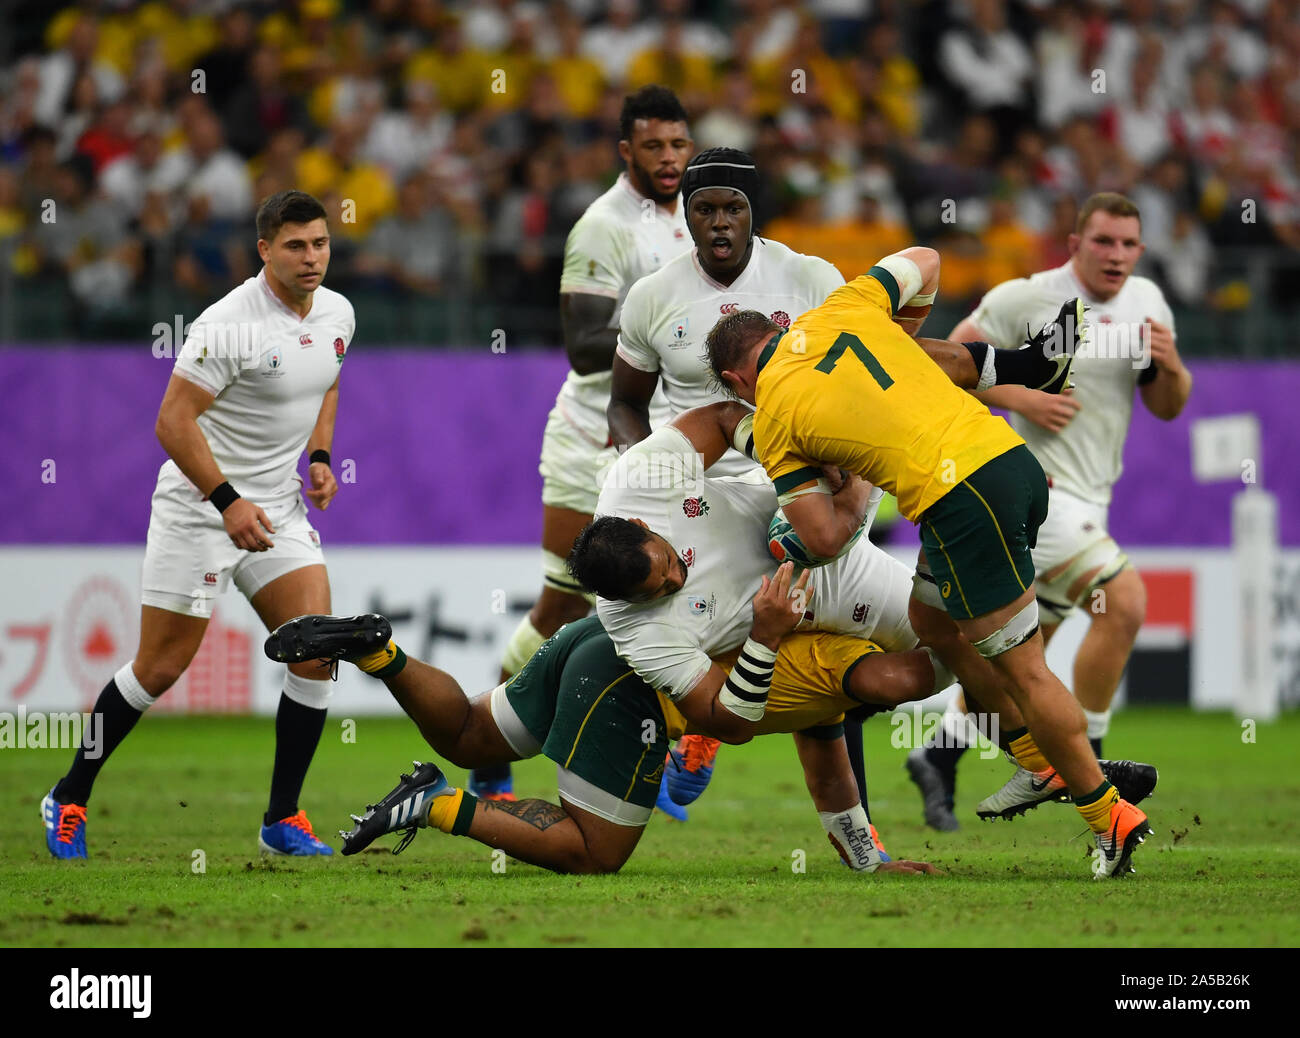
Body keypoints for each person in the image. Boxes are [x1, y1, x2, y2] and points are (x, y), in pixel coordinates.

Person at [707, 246, 1156, 879]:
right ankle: (1035, 758)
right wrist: (893, 348)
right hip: (1014, 461)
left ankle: (1105, 813)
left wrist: (855, 477)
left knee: (1027, 672)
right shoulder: (844, 308)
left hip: (963, 498)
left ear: (735, 382)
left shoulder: (774, 417)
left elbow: (823, 538)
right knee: (934, 621)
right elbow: (925, 258)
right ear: (779, 330)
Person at [42, 190, 353, 859]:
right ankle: (67, 796)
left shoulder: (337, 313)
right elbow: (171, 420)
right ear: (264, 249)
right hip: (200, 509)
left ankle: (282, 818)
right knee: (158, 668)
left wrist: (320, 456)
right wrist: (227, 501)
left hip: (278, 512)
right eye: (295, 245)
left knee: (317, 652)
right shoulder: (229, 323)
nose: (311, 257)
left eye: (320, 243)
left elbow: (327, 378)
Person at [905, 193, 1186, 830]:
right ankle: (1095, 762)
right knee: (1127, 602)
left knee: (1016, 658)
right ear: (1075, 243)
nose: (1116, 255)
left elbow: (1169, 405)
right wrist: (1021, 397)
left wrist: (1170, 366)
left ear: (1140, 250)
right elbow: (948, 360)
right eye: (1104, 242)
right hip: (1042, 493)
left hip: (1094, 497)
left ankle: (939, 755)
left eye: (1128, 244)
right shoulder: (1028, 297)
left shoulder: (1147, 303)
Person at [572, 402, 960, 860]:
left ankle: (871, 852)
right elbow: (728, 719)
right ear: (620, 602)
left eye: (670, 565)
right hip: (766, 643)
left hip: (819, 536)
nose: (676, 581)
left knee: (956, 653)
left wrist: (793, 471)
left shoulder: (635, 481)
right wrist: (765, 636)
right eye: (656, 593)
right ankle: (866, 854)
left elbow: (721, 417)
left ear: (641, 525)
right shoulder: (631, 626)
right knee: (895, 683)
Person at [607, 145, 856, 812]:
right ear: (684, 215)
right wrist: (644, 478)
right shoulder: (653, 296)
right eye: (704, 208)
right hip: (700, 498)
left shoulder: (810, 279)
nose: (719, 222)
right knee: (661, 625)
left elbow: (856, 377)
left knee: (834, 641)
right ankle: (682, 735)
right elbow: (625, 401)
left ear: (754, 213)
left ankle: (855, 831)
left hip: (796, 485)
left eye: (733, 208)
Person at [472, 85, 695, 803]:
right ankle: (486, 742)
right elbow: (581, 344)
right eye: (653, 146)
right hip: (588, 438)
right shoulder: (604, 226)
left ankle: (669, 752)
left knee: (671, 590)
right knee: (562, 605)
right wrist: (673, 339)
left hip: (654, 440)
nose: (668, 158)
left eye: (678, 144)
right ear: (626, 151)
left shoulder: (699, 220)